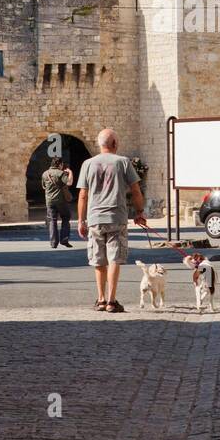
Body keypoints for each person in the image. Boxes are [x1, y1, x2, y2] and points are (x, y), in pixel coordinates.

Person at [76, 128, 145, 313]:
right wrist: (139, 212)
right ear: (115, 143)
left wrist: (81, 221)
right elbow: (136, 190)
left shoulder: (88, 164)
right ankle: (111, 301)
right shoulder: (123, 162)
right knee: (114, 258)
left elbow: (83, 194)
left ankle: (100, 299)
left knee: (98, 259)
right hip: (117, 217)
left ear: (100, 144)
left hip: (95, 218)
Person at [40, 157, 74, 249]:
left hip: (49, 201)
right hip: (61, 201)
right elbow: (69, 182)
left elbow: (44, 187)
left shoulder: (45, 174)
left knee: (52, 221)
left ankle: (53, 243)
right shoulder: (61, 173)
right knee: (66, 217)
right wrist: (70, 173)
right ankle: (64, 240)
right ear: (60, 164)